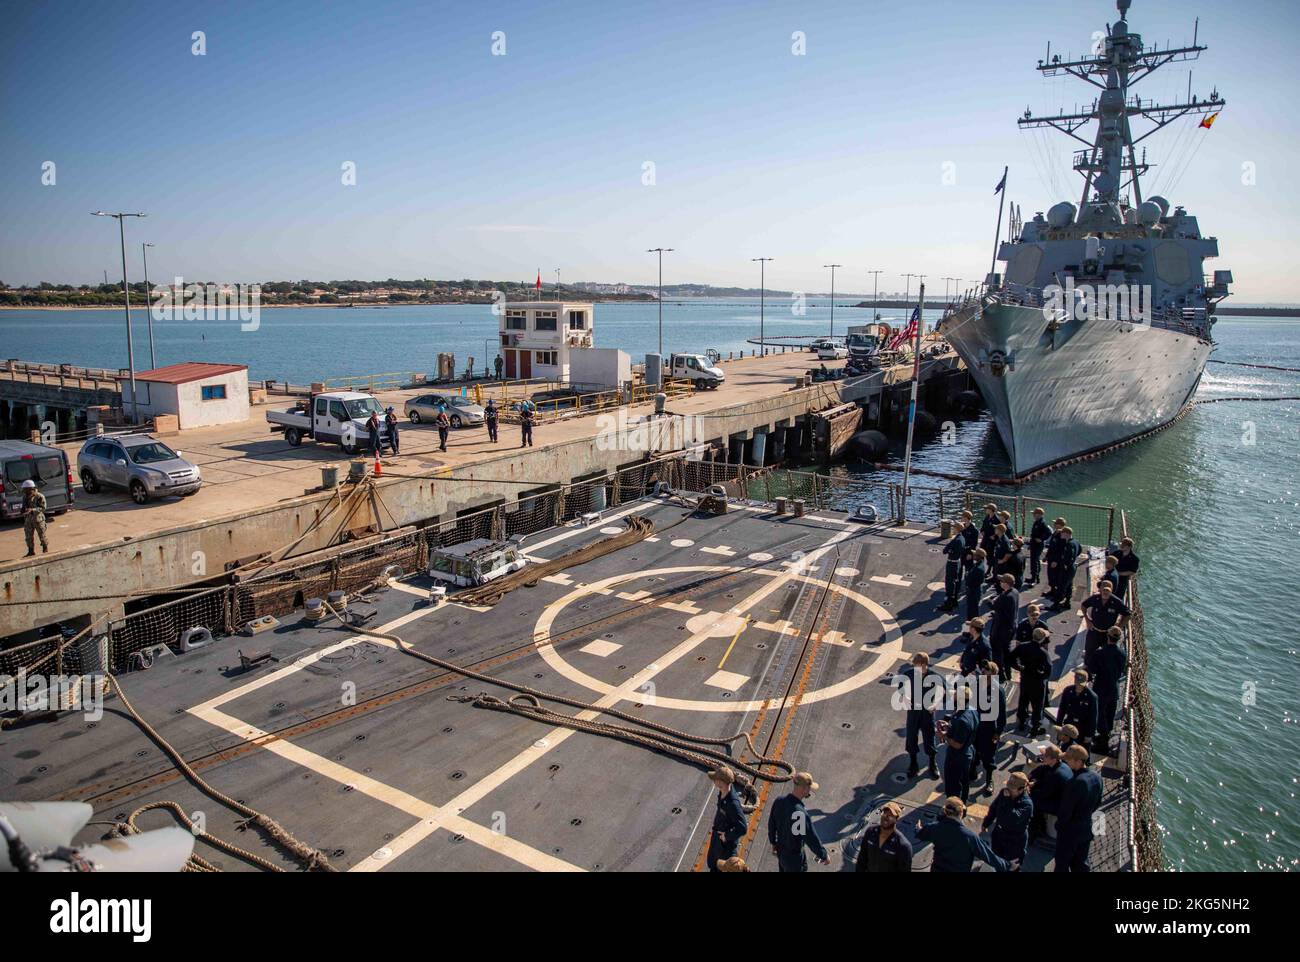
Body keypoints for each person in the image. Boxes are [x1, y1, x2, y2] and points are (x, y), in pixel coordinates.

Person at [915, 797, 1012, 873]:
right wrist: (1008, 865)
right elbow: (988, 856)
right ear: (961, 813)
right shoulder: (970, 837)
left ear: (945, 811)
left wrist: (918, 828)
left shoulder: (934, 828)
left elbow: (921, 834)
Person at [768, 772, 830, 872]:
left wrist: (773, 843)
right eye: (809, 788)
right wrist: (823, 855)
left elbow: (771, 825)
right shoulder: (800, 813)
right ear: (804, 789)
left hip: (781, 852)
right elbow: (811, 838)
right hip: (794, 859)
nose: (809, 791)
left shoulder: (779, 801)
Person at [1055, 745, 1103, 872]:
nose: (1066, 761)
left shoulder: (1074, 782)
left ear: (1078, 761)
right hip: (1086, 828)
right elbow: (1098, 803)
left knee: (1062, 863)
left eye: (1069, 760)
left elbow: (1065, 812)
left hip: (1070, 832)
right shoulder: (1097, 777)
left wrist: (1059, 826)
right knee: (1081, 864)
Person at [899, 652, 941, 779]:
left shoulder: (934, 677)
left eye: (916, 665)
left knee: (929, 737)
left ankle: (932, 763)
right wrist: (904, 697)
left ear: (923, 665)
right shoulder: (909, 674)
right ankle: (913, 763)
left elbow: (942, 692)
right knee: (911, 736)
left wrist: (935, 705)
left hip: (927, 713)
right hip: (913, 712)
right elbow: (901, 688)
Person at [1089, 627, 1128, 755]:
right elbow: (1122, 670)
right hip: (1114, 687)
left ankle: (1103, 741)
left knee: (1099, 713)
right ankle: (1104, 736)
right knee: (1110, 713)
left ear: (1108, 636)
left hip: (1101, 687)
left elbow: (1093, 669)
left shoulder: (1100, 652)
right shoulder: (1122, 654)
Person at [969, 662, 1006, 794]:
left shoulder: (998, 691)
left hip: (989, 728)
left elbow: (1002, 714)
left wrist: (998, 732)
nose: (985, 675)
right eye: (984, 672)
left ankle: (989, 780)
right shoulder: (977, 686)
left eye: (988, 673)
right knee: (973, 751)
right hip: (976, 725)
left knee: (988, 755)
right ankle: (972, 770)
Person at [1008, 623, 1051, 735]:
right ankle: (1035, 727)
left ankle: (1021, 722)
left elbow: (1010, 658)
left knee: (1023, 701)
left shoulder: (1023, 646)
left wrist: (1019, 667)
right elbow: (1048, 669)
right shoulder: (1043, 653)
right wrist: (1042, 677)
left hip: (1025, 677)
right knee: (1037, 706)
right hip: (1037, 681)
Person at [982, 771, 1034, 864]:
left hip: (1014, 840)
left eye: (1012, 788)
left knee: (1012, 865)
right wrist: (987, 822)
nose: (1008, 789)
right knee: (997, 861)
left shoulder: (1026, 804)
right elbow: (994, 808)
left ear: (1021, 789)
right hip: (999, 834)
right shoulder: (1004, 792)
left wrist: (1007, 800)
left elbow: (1013, 818)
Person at [939, 686, 979, 803]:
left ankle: (953, 810)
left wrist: (944, 735)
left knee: (953, 786)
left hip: (957, 757)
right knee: (963, 782)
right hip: (968, 751)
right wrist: (949, 726)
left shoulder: (962, 720)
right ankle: (962, 804)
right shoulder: (971, 710)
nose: (953, 696)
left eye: (955, 695)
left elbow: (957, 744)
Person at [707, 766, 748, 872]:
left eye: (716, 779)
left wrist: (727, 835)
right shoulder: (723, 792)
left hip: (725, 846)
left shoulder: (733, 804)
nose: (714, 780)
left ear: (721, 782)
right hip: (717, 839)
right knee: (712, 863)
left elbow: (743, 828)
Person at [1028, 743, 1073, 839]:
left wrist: (1029, 790)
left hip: (1060, 805)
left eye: (1045, 756)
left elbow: (1044, 794)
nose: (1043, 757)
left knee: (1032, 802)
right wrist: (1032, 777)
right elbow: (1042, 769)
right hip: (1059, 797)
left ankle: (1037, 829)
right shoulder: (1059, 765)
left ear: (1052, 759)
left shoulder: (1056, 774)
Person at [1080, 580, 1130, 664]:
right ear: (1100, 589)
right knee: (1088, 653)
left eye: (1108, 590)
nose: (1105, 592)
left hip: (1108, 635)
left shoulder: (1117, 602)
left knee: (1106, 657)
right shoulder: (1095, 598)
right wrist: (1087, 620)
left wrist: (1118, 627)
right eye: (1104, 589)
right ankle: (1087, 670)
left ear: (1111, 590)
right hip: (1094, 632)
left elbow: (1127, 615)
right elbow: (1083, 605)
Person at [856, 801, 913, 872]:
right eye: (884, 813)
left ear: (896, 819)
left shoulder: (903, 846)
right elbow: (862, 859)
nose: (886, 817)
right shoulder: (870, 832)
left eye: (890, 816)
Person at [1056, 669, 1099, 750]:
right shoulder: (1068, 691)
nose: (1079, 686)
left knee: (1081, 751)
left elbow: (1093, 717)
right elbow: (1062, 709)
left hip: (1083, 728)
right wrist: (1059, 726)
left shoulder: (1091, 697)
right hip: (1069, 725)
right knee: (1064, 748)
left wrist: (1089, 735)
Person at [988, 574, 1019, 682]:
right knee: (1006, 653)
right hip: (1010, 628)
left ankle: (1000, 676)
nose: (1000, 583)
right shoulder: (1015, 592)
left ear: (1006, 584)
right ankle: (1008, 673)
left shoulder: (1006, 597)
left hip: (1001, 630)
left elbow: (993, 605)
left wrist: (991, 601)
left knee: (997, 653)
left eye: (1002, 581)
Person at [1048, 525, 1082, 610]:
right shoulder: (1076, 542)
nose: (1061, 535)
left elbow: (1068, 557)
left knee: (1061, 586)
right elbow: (1080, 550)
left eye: (1062, 533)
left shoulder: (1069, 544)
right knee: (1069, 585)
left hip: (1067, 568)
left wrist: (1066, 564)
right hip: (1072, 567)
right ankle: (1067, 602)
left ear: (1066, 534)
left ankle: (1056, 604)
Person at [941, 525, 966, 612]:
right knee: (955, 582)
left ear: (957, 529)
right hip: (957, 562)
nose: (953, 529)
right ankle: (954, 601)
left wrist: (950, 550)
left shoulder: (956, 540)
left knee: (949, 584)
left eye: (954, 528)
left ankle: (948, 604)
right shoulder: (962, 538)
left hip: (952, 563)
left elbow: (945, 550)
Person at [21, 479, 48, 557]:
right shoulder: (25, 497)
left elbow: (43, 508)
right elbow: (24, 506)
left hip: (38, 519)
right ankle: (31, 551)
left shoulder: (39, 496)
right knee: (28, 536)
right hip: (28, 519)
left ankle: (45, 548)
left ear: (31, 489)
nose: (24, 491)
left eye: (25, 489)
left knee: (42, 535)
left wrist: (32, 510)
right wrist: (23, 510)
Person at [1027, 507, 1051, 587]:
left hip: (1038, 545)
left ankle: (1034, 579)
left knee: (1035, 561)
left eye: (1035, 514)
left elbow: (1049, 533)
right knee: (1034, 560)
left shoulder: (1042, 523)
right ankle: (1035, 577)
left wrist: (1041, 539)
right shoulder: (1037, 522)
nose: (1033, 515)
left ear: (1039, 515)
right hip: (1034, 543)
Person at [964, 548, 987, 621]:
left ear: (979, 556)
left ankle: (974, 626)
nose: (973, 555)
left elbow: (974, 580)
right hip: (974, 590)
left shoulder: (978, 568)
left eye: (975, 555)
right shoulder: (978, 564)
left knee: (973, 611)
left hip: (974, 591)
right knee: (971, 609)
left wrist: (967, 575)